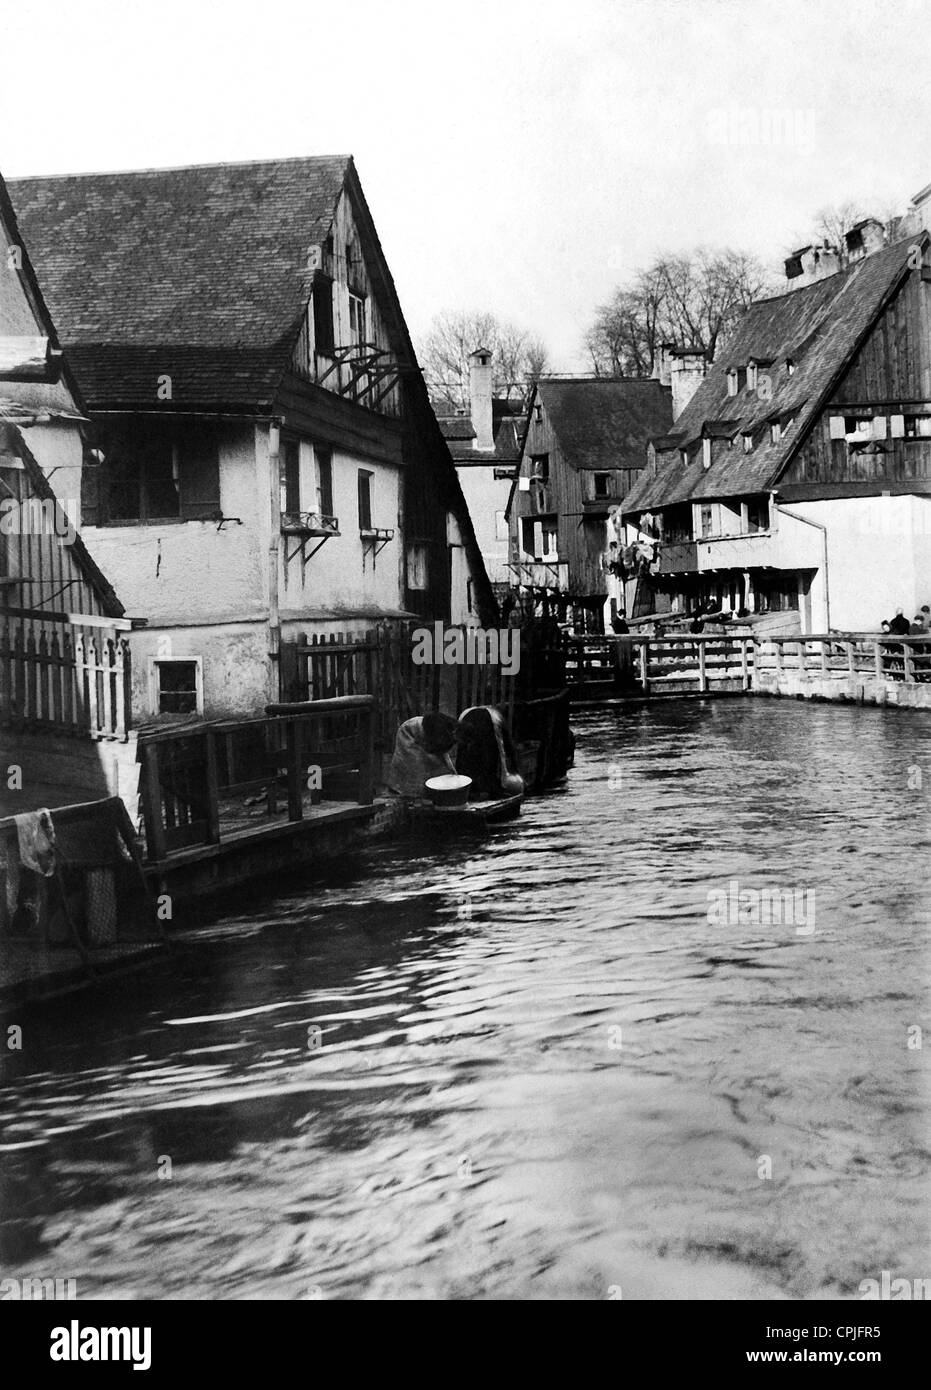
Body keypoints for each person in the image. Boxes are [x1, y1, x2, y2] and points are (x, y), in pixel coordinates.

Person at [456, 706, 524, 800]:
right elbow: (507, 749)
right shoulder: (495, 717)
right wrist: (515, 769)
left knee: (472, 756)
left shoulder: (491, 720)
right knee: (488, 758)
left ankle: (474, 789)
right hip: (479, 722)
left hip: (473, 721)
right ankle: (487, 789)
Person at [387, 712, 459, 798]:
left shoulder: (448, 729)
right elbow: (416, 767)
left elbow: (442, 755)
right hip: (412, 733)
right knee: (414, 770)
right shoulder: (410, 730)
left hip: (430, 735)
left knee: (441, 769)